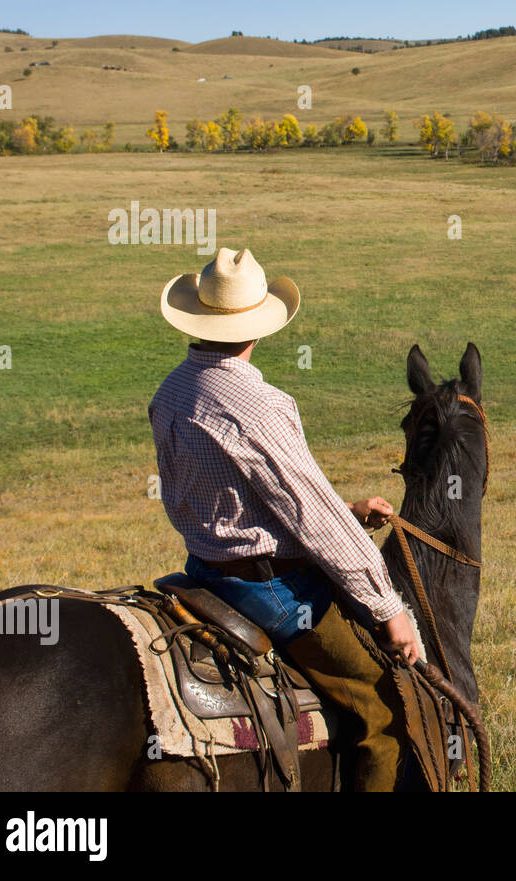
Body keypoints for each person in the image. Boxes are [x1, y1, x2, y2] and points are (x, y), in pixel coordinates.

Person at [149, 246, 419, 790]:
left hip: (202, 574)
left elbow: (222, 495)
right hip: (270, 592)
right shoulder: (259, 403)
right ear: (259, 327)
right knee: (383, 710)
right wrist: (387, 608)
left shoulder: (171, 391)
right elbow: (310, 514)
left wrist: (345, 510)